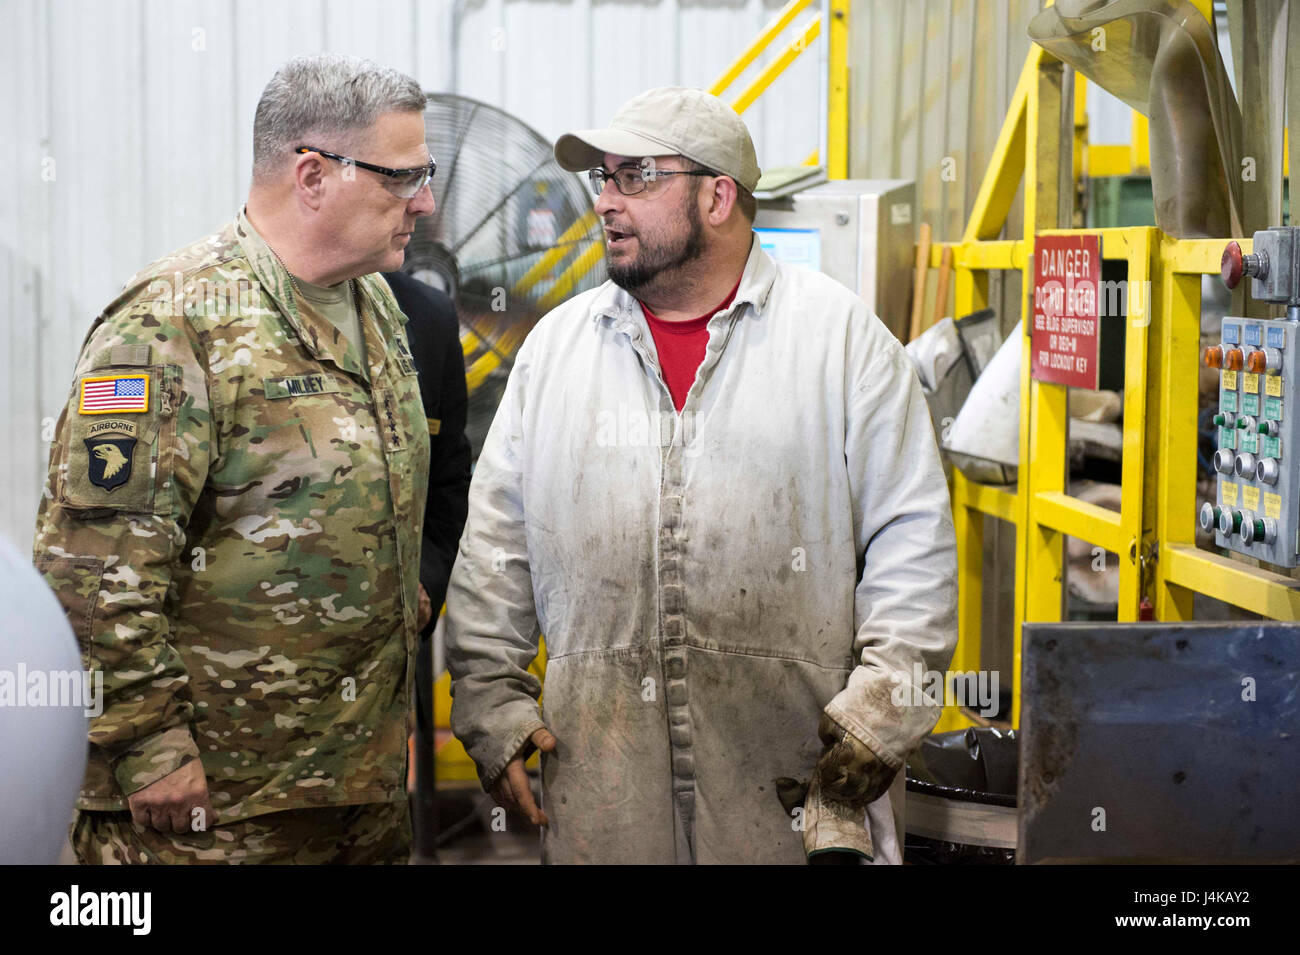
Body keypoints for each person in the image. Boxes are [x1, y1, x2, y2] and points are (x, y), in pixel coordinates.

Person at [445, 86, 958, 864]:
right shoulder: (555, 354)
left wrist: (876, 722)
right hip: (604, 794)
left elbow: (912, 544)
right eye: (603, 180)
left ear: (718, 196)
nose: (608, 203)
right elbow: (496, 547)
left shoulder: (841, 342)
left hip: (800, 788)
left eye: (636, 177)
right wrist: (492, 706)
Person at [33, 54, 436, 864]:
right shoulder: (171, 323)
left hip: (356, 790)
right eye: (403, 178)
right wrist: (151, 750)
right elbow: (92, 569)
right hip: (214, 809)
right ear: (314, 175)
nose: (424, 203)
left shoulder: (377, 307)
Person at [382, 269, 472, 861]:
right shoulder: (206, 305)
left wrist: (426, 590)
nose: (423, 204)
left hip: (372, 746)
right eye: (400, 181)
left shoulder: (430, 319)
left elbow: (448, 475)